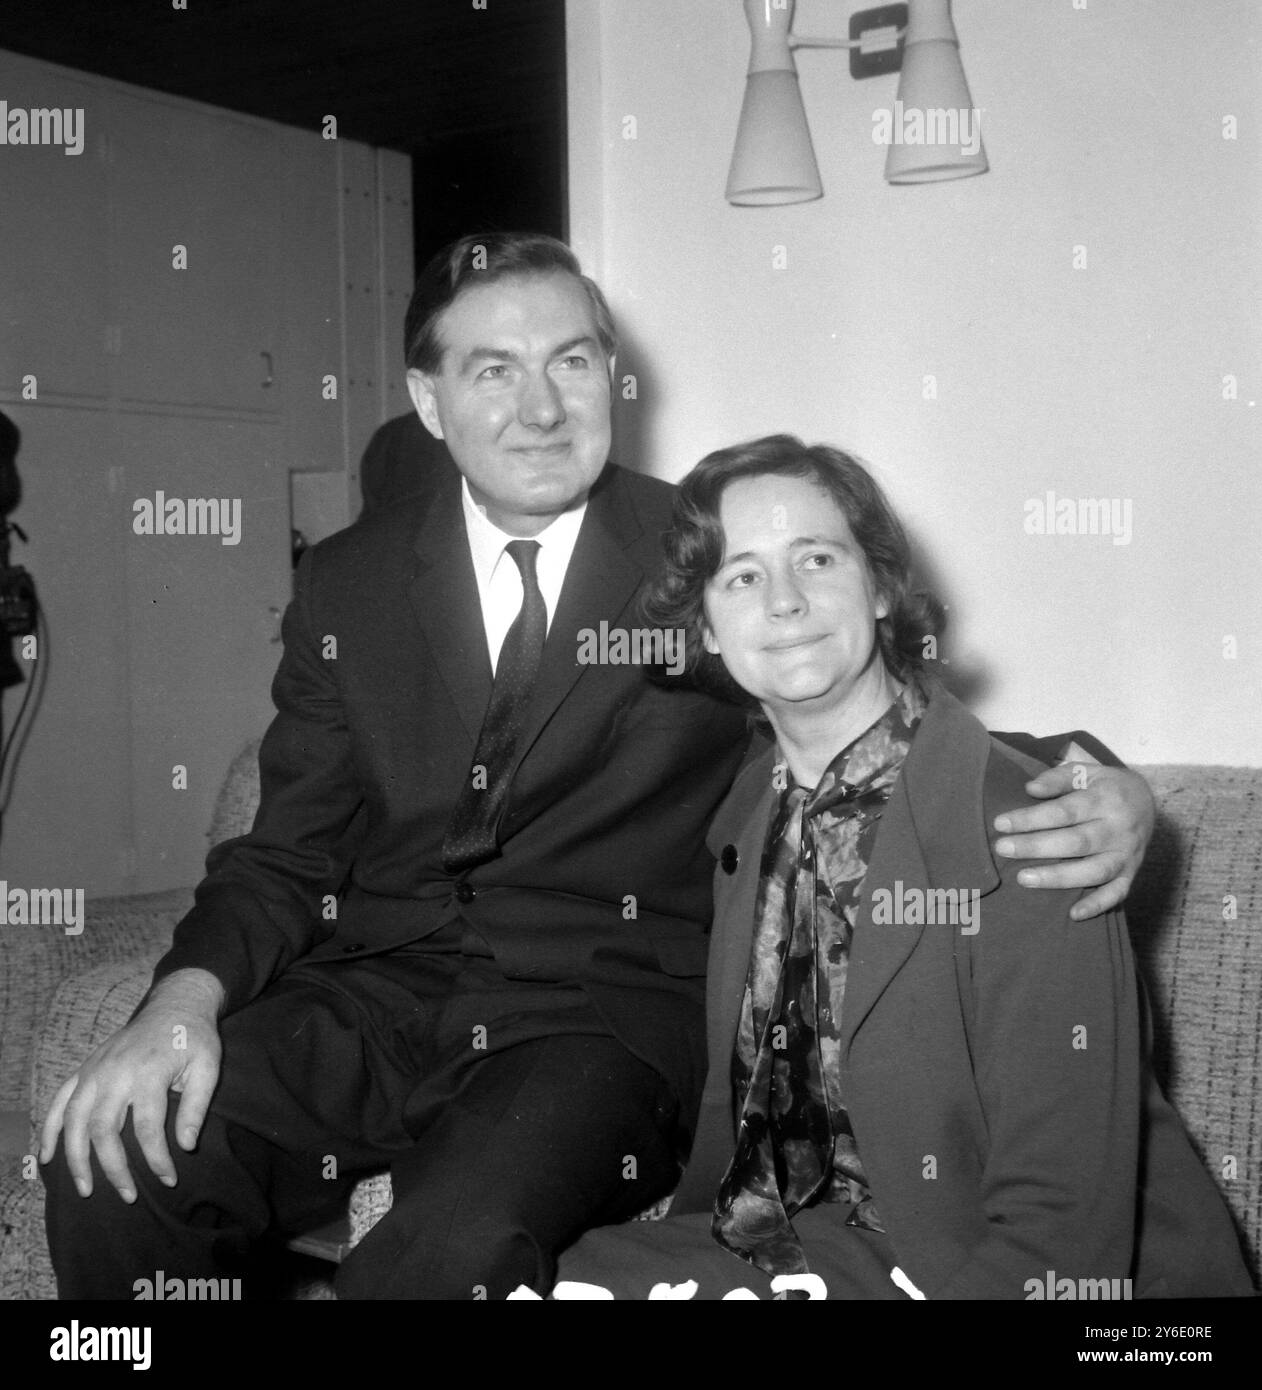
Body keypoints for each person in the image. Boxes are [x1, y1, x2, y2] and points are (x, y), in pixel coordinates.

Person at [41, 235, 1155, 1301]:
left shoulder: (696, 554)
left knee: (441, 1258)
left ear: (612, 379)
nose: (540, 408)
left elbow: (867, 696)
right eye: (494, 370)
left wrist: (1096, 779)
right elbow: (284, 850)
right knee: (115, 1160)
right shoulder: (351, 582)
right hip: (377, 999)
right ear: (429, 401)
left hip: (594, 1022)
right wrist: (176, 1006)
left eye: (571, 362)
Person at [554, 436, 1253, 1300]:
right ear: (703, 627)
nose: (784, 602)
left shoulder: (1041, 830)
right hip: (812, 1239)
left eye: (816, 557)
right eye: (741, 576)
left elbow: (1061, 1237)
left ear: (882, 585)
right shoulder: (749, 811)